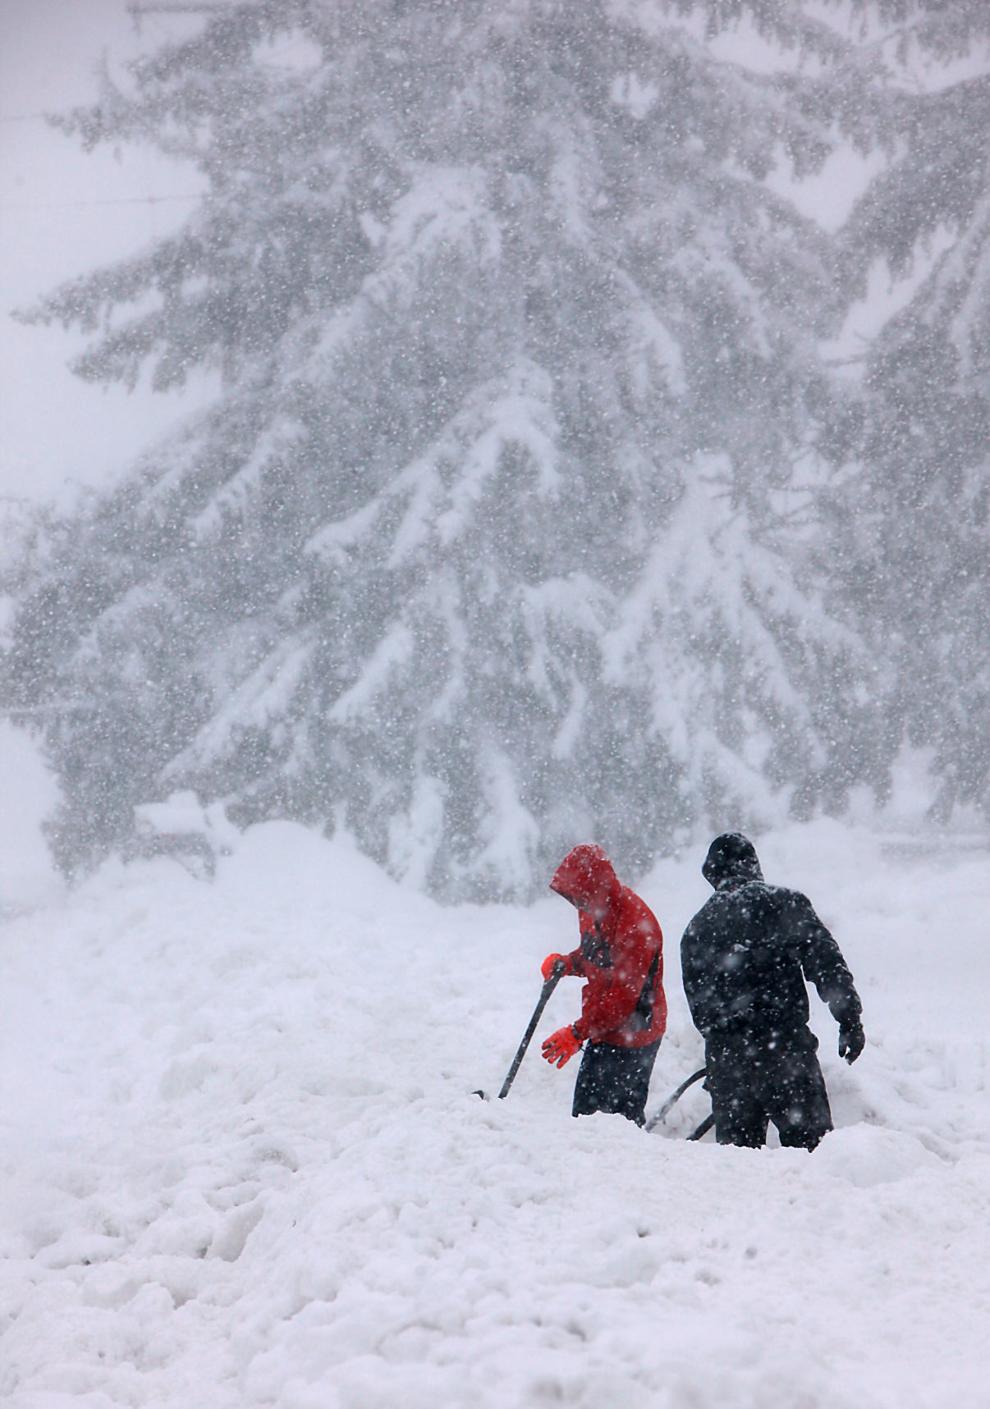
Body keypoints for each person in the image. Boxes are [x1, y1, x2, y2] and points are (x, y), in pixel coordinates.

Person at [680, 832, 865, 1150]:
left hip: (729, 1064)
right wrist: (849, 1019)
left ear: (712, 874)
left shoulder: (697, 929)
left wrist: (723, 1055)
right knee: (815, 1156)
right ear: (753, 866)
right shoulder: (784, 903)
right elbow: (826, 963)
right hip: (786, 1053)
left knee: (738, 1169)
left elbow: (701, 1008)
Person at [540, 843, 666, 1125]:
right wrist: (567, 964)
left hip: (635, 1033)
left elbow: (623, 1000)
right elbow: (597, 956)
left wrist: (576, 1032)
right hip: (604, 1027)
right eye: (576, 900)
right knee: (589, 1120)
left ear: (599, 890)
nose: (579, 906)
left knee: (611, 1124)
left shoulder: (636, 926)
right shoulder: (592, 908)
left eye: (582, 899)